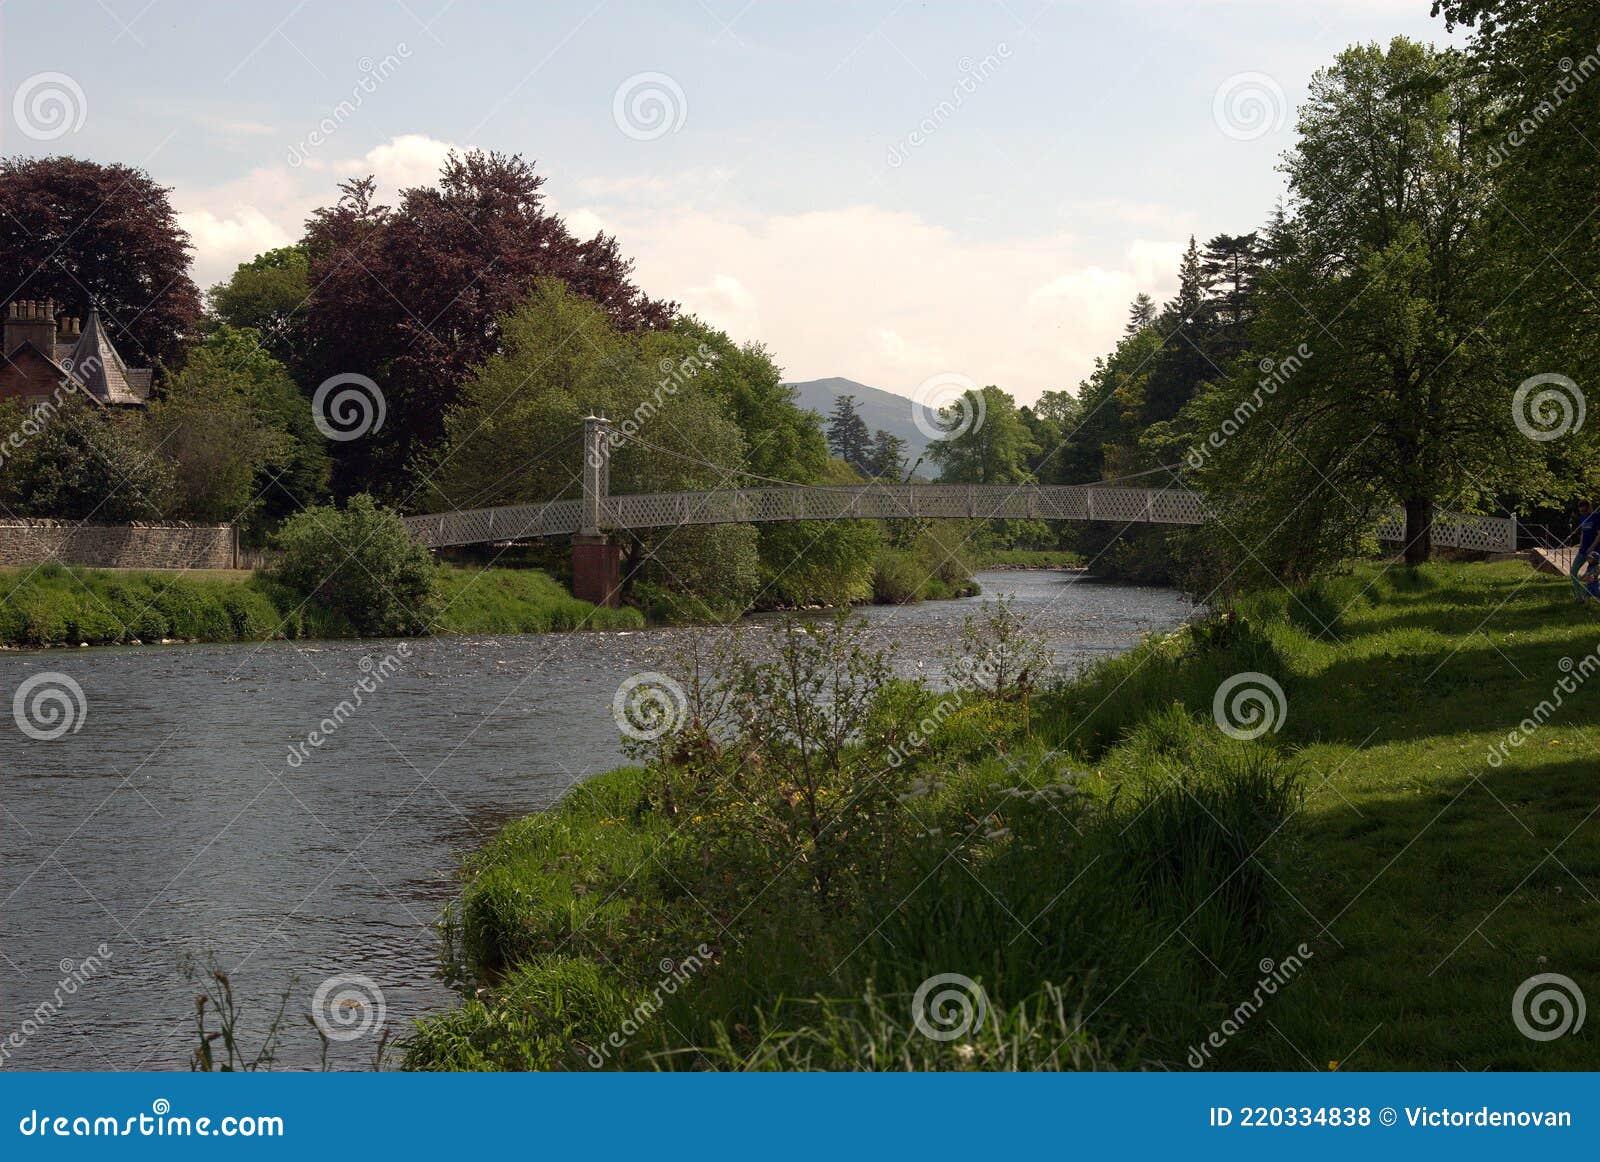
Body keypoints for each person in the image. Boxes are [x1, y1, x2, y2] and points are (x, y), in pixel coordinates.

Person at [1573, 500, 1600, 593]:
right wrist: (1580, 545)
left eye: (1585, 510)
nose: (1583, 512)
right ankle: (1579, 597)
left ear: (1590, 508)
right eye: (1581, 511)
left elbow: (1599, 535)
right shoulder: (1582, 518)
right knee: (1573, 572)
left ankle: (1594, 593)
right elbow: (1583, 533)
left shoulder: (1597, 517)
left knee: (1592, 575)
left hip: (1594, 552)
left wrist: (1591, 548)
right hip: (1583, 550)